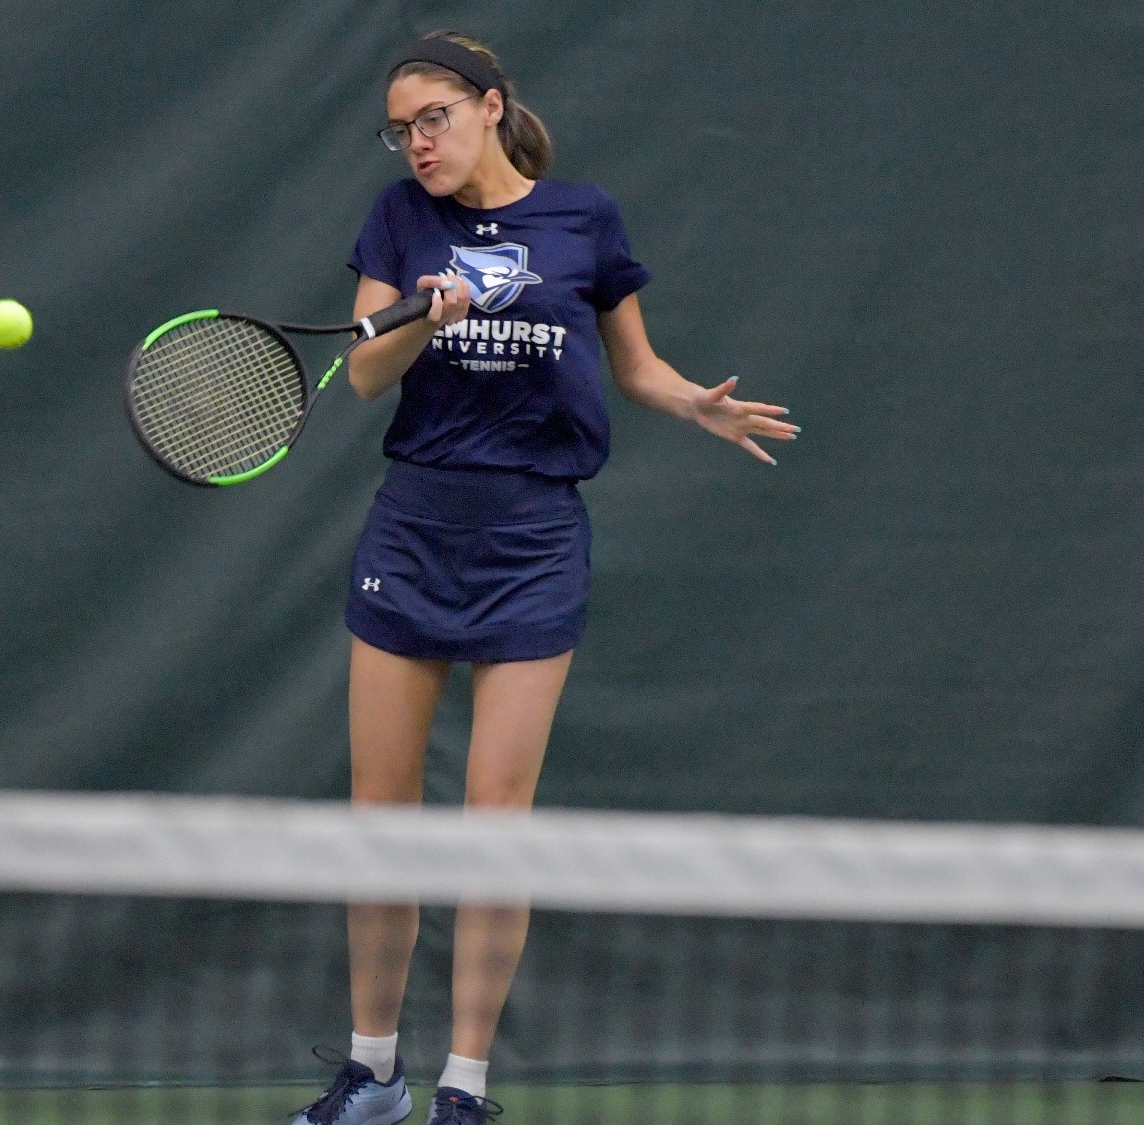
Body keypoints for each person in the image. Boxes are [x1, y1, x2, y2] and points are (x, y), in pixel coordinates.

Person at [292, 31, 798, 1125]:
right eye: (399, 129)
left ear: (489, 106)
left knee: (493, 824)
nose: (416, 143)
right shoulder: (399, 217)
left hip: (531, 542)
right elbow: (363, 376)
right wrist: (424, 319)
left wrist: (694, 404)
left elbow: (635, 366)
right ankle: (373, 1073)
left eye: (433, 119)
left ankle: (463, 1087)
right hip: (414, 531)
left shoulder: (583, 219)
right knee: (379, 818)